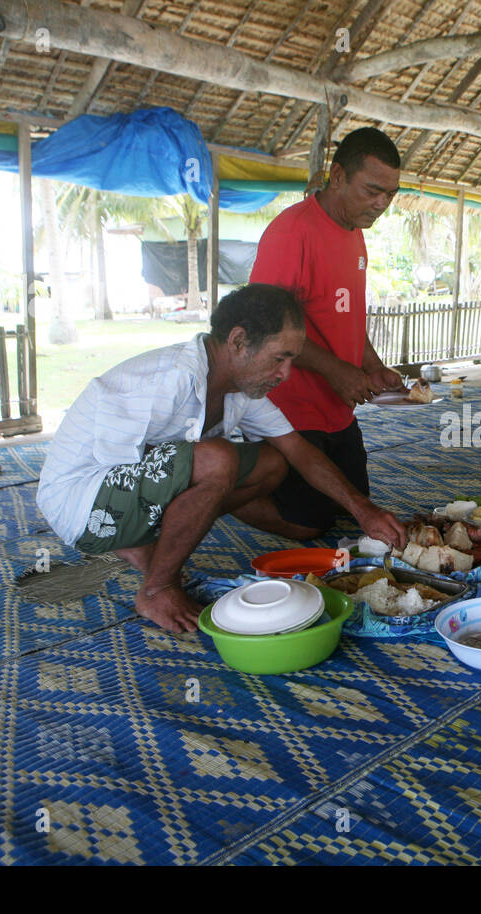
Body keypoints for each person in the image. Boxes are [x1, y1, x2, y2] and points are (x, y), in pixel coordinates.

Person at [37, 284, 406, 633]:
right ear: (239, 341)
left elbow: (297, 450)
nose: (286, 373)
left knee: (272, 462)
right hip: (83, 506)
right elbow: (116, 468)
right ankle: (155, 590)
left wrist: (363, 510)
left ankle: (148, 547)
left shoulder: (240, 391)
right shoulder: (167, 380)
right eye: (280, 358)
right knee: (217, 460)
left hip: (128, 498)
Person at [249, 127, 403, 538]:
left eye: (391, 194)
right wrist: (336, 370)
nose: (382, 203)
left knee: (354, 512)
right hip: (291, 405)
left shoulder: (355, 234)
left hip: (336, 409)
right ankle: (223, 497)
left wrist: (373, 366)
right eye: (373, 190)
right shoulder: (292, 231)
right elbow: (270, 325)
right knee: (309, 526)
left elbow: (346, 317)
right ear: (337, 176)